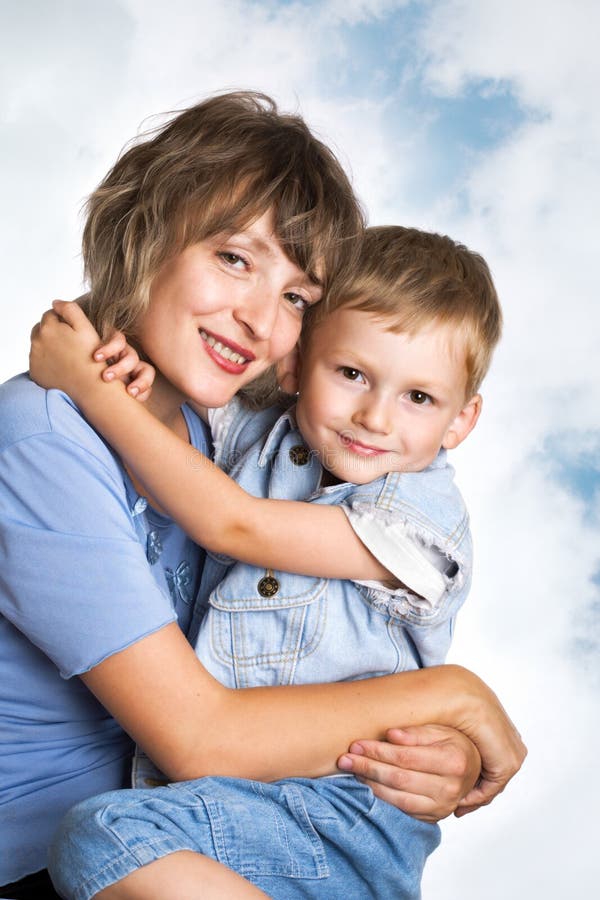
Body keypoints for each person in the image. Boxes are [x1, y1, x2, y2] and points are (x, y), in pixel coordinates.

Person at [30, 226, 513, 899]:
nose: (375, 417)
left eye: (419, 398)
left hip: (342, 816)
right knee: (109, 843)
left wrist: (94, 391)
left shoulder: (419, 520)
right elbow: (166, 445)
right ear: (293, 367)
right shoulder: (260, 433)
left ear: (461, 421)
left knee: (108, 840)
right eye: (351, 374)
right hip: (229, 804)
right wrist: (121, 370)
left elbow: (234, 523)